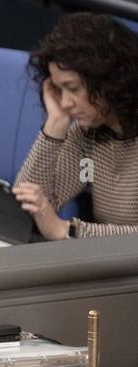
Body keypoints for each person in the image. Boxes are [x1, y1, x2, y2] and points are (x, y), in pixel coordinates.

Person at [12, 13, 138, 240]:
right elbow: (27, 206)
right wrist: (56, 123)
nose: (65, 102)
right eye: (59, 90)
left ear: (109, 80)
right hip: (107, 265)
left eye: (73, 88)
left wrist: (66, 230)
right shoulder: (89, 133)